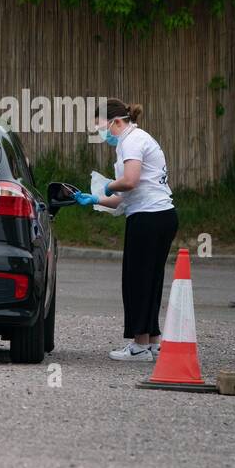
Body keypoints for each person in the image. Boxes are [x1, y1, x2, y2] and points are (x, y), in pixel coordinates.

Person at [71, 98, 177, 361]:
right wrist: (96, 199)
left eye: (101, 127)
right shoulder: (136, 139)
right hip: (159, 215)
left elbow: (129, 181)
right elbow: (126, 195)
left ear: (116, 122)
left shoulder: (131, 141)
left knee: (137, 280)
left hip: (148, 218)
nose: (101, 134)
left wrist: (108, 186)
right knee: (150, 279)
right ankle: (152, 341)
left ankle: (139, 345)